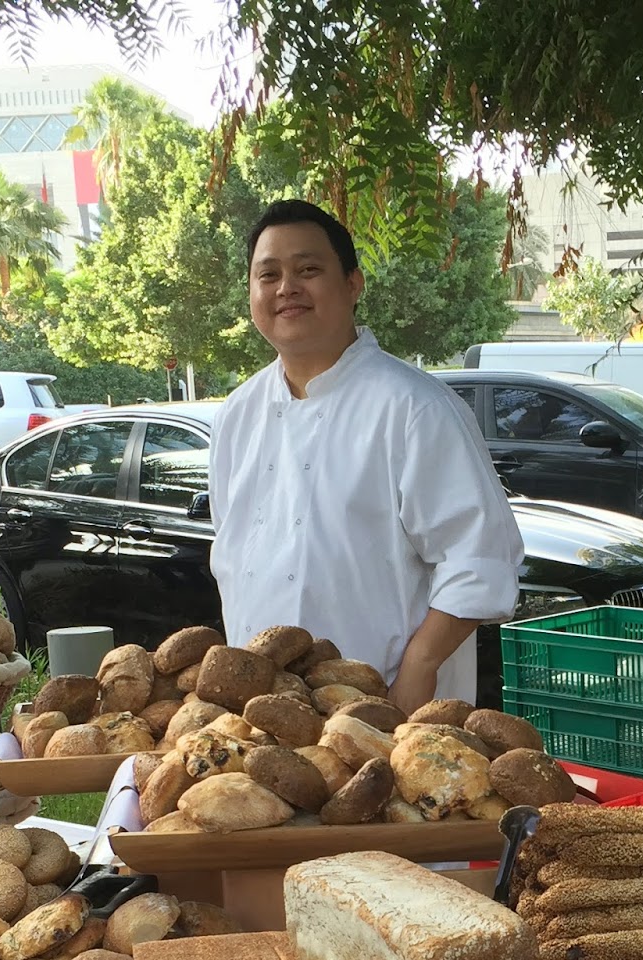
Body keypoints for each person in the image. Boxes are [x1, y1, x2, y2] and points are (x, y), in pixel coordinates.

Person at [206, 199, 521, 712]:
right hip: (263, 716)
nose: (287, 288)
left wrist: (419, 670)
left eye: (308, 269)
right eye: (269, 275)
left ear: (353, 284)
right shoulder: (237, 416)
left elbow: (479, 559)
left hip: (390, 712)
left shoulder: (415, 408)